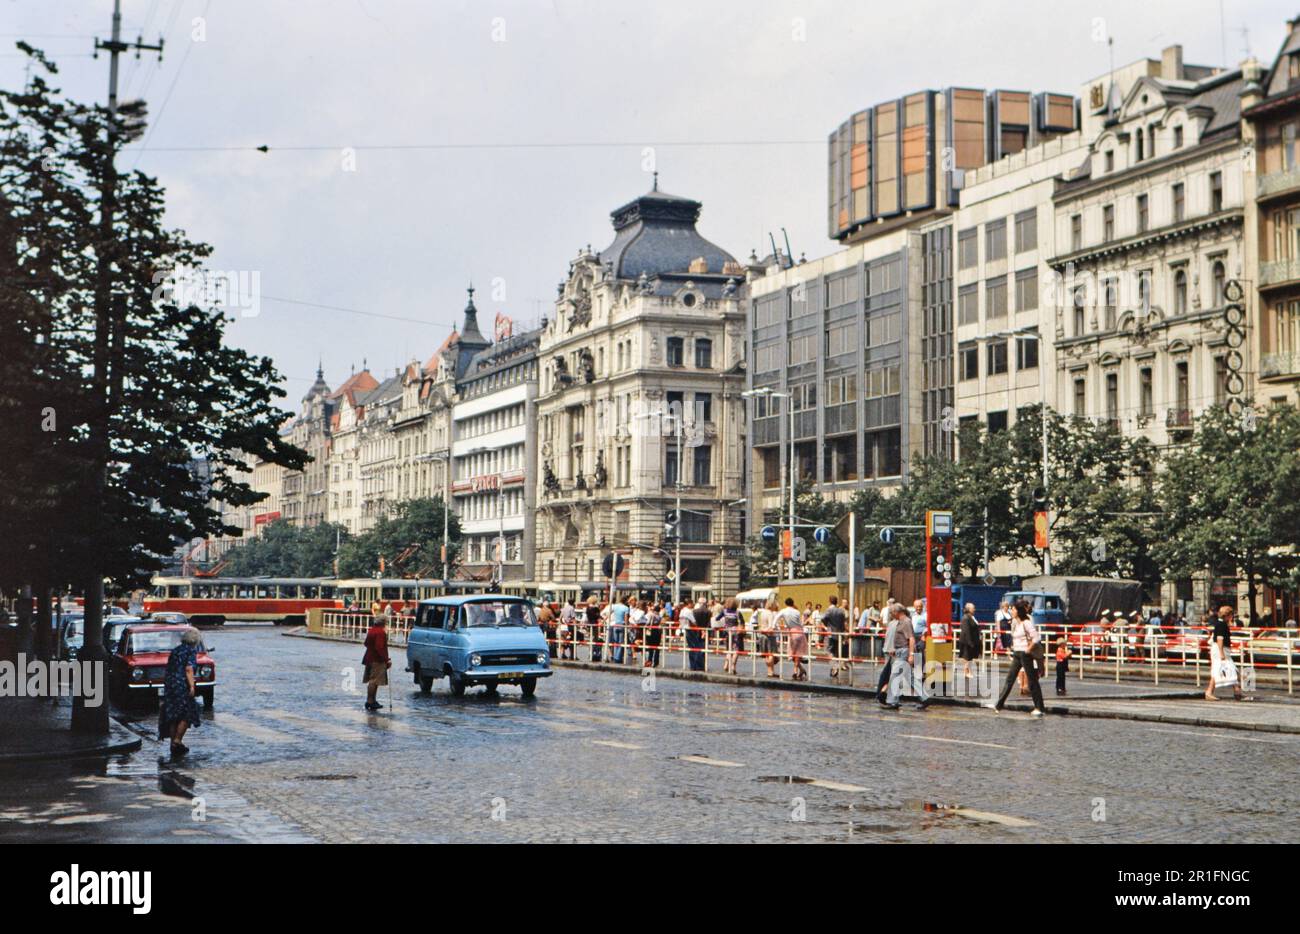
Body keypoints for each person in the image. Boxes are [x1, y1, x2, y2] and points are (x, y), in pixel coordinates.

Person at [993, 600, 1045, 717]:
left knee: (1032, 681)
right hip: (1017, 653)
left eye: (1014, 609)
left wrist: (1028, 649)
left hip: (1025, 654)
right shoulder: (1016, 623)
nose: (1012, 611)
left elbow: (1036, 638)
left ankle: (1039, 707)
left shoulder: (1027, 622)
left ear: (1019, 611)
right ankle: (999, 705)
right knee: (1009, 679)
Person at [158, 627, 204, 757]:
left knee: (174, 713)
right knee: (187, 712)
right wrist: (192, 686)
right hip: (182, 685)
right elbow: (189, 669)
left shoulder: (175, 650)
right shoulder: (191, 651)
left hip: (170, 684)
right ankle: (178, 740)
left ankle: (173, 743)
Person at [1206, 605, 1243, 701]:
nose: (1232, 617)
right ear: (1228, 615)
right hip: (1220, 651)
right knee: (1227, 670)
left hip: (1219, 651)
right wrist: (1222, 653)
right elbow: (1219, 639)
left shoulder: (1220, 623)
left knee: (1229, 669)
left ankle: (1237, 691)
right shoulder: (1222, 625)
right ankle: (1210, 692)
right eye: (1231, 615)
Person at [883, 605, 917, 709]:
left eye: (892, 613)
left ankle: (892, 701)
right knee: (909, 677)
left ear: (897, 612)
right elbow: (902, 638)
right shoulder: (900, 622)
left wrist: (911, 655)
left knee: (895, 676)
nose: (891, 615)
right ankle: (925, 697)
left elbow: (911, 639)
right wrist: (894, 650)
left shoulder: (906, 621)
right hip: (899, 651)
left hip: (904, 652)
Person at [363, 613, 391, 711]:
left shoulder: (371, 630)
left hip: (369, 658)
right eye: (386, 622)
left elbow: (366, 643)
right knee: (374, 680)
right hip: (377, 659)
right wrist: (386, 659)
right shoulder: (381, 632)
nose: (387, 624)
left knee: (373, 680)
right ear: (383, 622)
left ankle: (372, 700)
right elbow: (379, 648)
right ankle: (370, 701)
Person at [780, 598, 808, 681]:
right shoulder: (793, 613)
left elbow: (800, 623)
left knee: (795, 655)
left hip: (795, 634)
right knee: (794, 655)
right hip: (795, 634)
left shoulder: (794, 613)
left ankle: (796, 671)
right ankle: (801, 670)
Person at [823, 595, 849, 679]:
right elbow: (843, 623)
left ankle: (835, 667)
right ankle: (834, 668)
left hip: (831, 633)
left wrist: (827, 625)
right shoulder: (841, 611)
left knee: (828, 650)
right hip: (839, 633)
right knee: (836, 652)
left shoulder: (829, 610)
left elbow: (823, 619)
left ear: (830, 601)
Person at [755, 597, 780, 677]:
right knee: (771, 653)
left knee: (766, 654)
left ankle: (769, 670)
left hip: (762, 635)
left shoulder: (762, 613)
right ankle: (771, 671)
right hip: (769, 636)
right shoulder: (770, 613)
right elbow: (771, 626)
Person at [958, 602, 982, 681]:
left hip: (972, 640)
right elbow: (966, 631)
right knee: (967, 657)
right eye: (973, 608)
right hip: (966, 641)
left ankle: (969, 671)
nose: (974, 609)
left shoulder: (972, 617)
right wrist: (970, 642)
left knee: (970, 657)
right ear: (968, 609)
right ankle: (966, 672)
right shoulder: (966, 618)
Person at [721, 597, 743, 674]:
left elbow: (717, 618)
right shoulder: (737, 612)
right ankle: (733, 666)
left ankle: (726, 665)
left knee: (728, 649)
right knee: (736, 650)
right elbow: (742, 622)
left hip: (727, 631)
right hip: (736, 632)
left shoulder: (724, 611)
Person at [680, 600, 704, 671]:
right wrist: (698, 628)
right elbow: (694, 622)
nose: (693, 604)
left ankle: (692, 665)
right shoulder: (688, 611)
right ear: (689, 604)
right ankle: (697, 666)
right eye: (692, 603)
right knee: (696, 648)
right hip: (691, 630)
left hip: (685, 629)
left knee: (691, 648)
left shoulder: (682, 611)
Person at [607, 595, 629, 665]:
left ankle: (615, 656)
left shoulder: (615, 606)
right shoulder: (626, 608)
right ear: (625, 601)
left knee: (616, 642)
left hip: (615, 626)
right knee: (620, 642)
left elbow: (609, 614)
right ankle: (618, 657)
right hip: (622, 625)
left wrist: (604, 620)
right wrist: (626, 625)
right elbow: (626, 618)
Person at [643, 601, 662, 668]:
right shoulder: (659, 616)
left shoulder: (651, 615)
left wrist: (645, 626)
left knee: (650, 647)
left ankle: (649, 661)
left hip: (651, 632)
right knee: (656, 647)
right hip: (657, 632)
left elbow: (647, 623)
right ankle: (656, 662)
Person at [585, 597, 603, 662]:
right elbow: (598, 616)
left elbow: (587, 616)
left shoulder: (587, 608)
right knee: (595, 638)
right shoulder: (596, 608)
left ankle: (590, 652)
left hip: (589, 624)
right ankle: (595, 652)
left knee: (590, 638)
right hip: (595, 624)